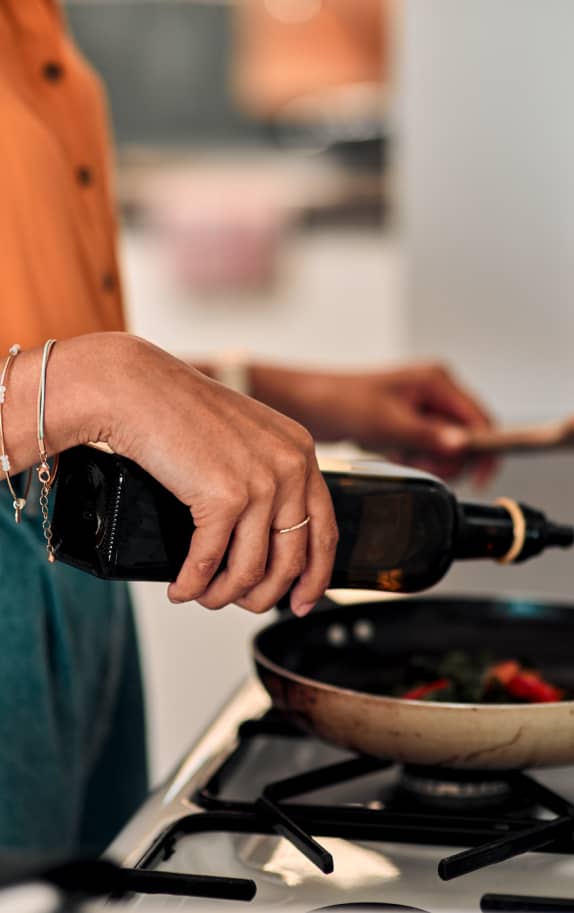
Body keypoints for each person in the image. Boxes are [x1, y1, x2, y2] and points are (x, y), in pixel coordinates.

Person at [0, 0, 495, 857]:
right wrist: (101, 379)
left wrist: (291, 393)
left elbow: (44, 339)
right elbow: (72, 376)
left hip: (64, 563)